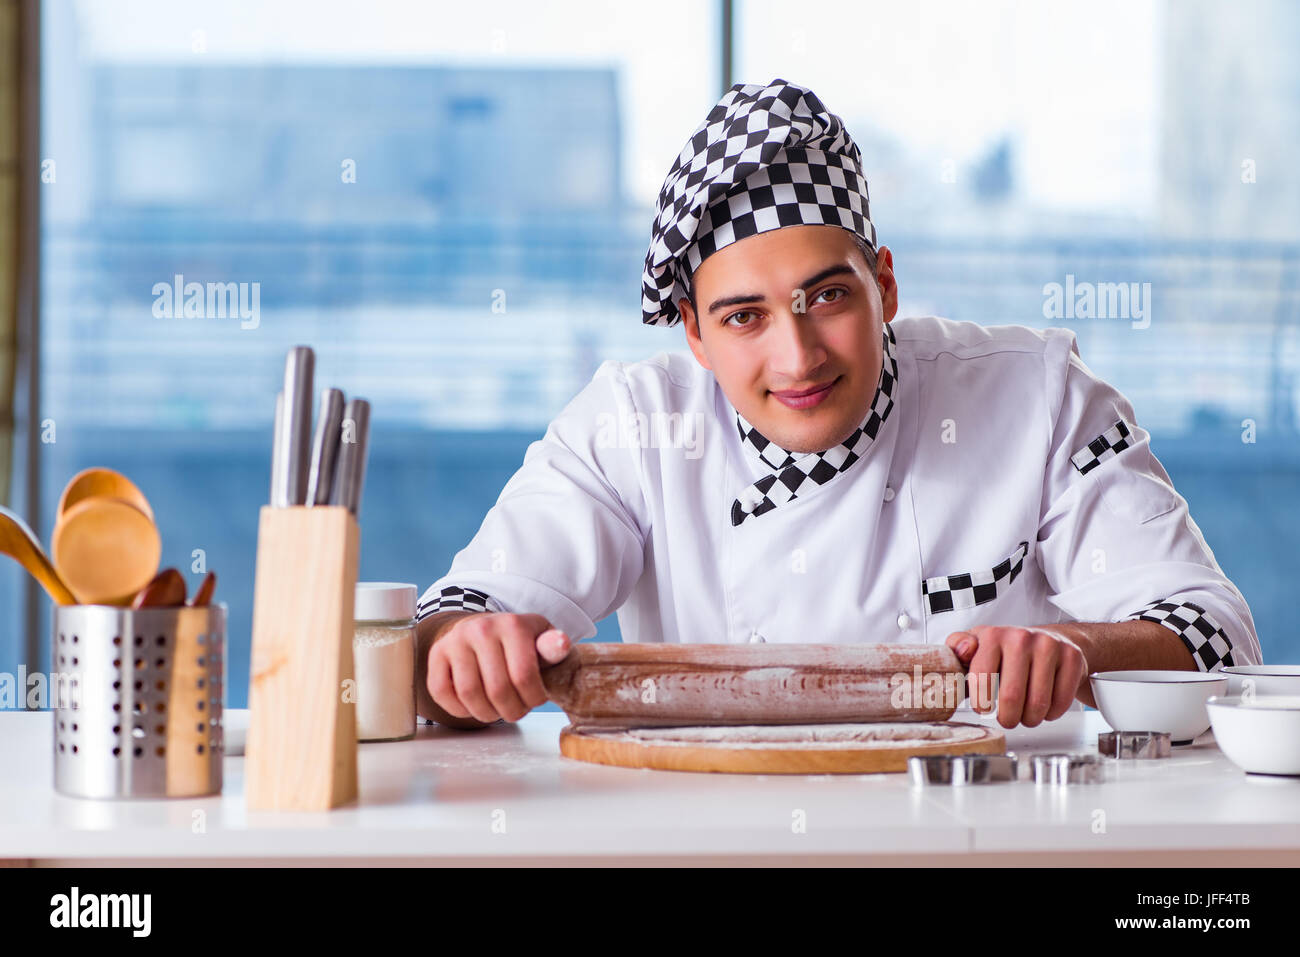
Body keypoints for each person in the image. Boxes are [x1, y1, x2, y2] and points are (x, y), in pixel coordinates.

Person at [415, 78, 1261, 732]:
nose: (798, 356)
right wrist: (465, 650)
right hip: (708, 833)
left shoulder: (1037, 394)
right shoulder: (633, 427)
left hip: (979, 834)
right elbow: (447, 625)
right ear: (696, 338)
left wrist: (1074, 653)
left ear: (884, 284)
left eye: (826, 297)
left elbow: (1218, 633)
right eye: (744, 317)